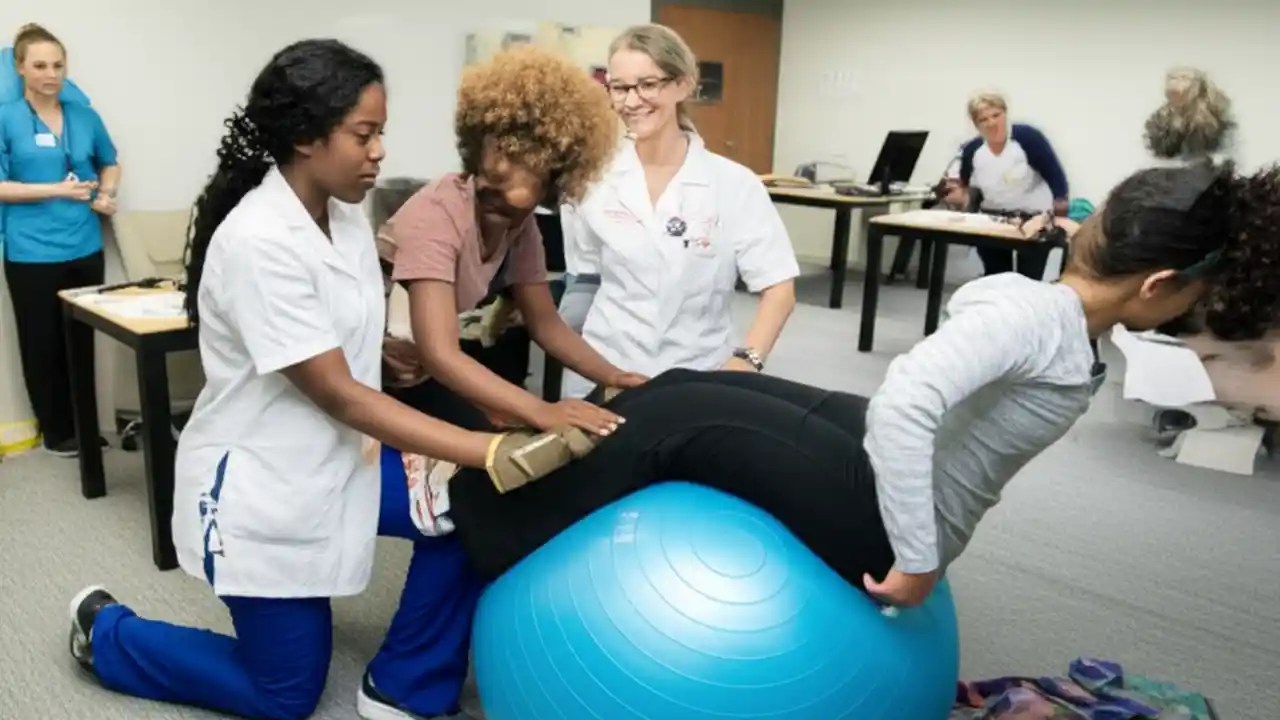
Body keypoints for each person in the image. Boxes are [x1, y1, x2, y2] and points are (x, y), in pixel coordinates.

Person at [420, 160, 1276, 611]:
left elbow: (910, 402)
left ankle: (476, 511)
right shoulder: (1045, 316)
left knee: (681, 418)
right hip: (901, 496)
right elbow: (912, 403)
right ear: (1155, 282)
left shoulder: (1041, 313)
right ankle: (518, 478)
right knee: (685, 383)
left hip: (892, 516)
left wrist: (916, 561)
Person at [63, 39, 586, 720]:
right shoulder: (259, 241)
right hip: (264, 488)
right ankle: (107, 634)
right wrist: (489, 447)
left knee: (475, 506)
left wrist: (383, 355)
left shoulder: (342, 217)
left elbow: (335, 344)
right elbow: (337, 392)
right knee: (283, 694)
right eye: (364, 135)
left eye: (380, 134)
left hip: (343, 461)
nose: (379, 152)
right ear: (307, 138)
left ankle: (405, 685)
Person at [378, 46, 644, 437]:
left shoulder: (520, 227)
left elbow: (546, 324)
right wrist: (541, 411)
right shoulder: (438, 214)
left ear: (553, 177)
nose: (492, 187)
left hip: (417, 371)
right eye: (488, 176)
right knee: (498, 450)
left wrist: (613, 375)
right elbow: (440, 354)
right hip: (376, 373)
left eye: (512, 179)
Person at [558, 24, 799, 399]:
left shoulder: (733, 184)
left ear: (683, 85)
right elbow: (585, 275)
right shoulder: (591, 178)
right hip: (604, 367)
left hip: (699, 370)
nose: (631, 101)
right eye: (619, 87)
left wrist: (747, 361)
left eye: (647, 84)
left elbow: (779, 287)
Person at [0, 23, 119, 457]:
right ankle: (56, 431)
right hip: (31, 250)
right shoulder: (6, 119)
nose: (51, 74)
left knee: (81, 342)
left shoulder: (84, 116)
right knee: (41, 343)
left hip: (84, 245)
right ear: (20, 68)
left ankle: (85, 427)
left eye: (57, 65)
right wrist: (57, 189)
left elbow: (110, 162)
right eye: (40, 66)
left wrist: (106, 193)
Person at [943, 90, 1069, 280]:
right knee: (997, 279)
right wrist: (959, 198)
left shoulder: (1028, 138)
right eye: (983, 119)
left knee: (1028, 281)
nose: (992, 123)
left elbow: (1056, 178)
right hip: (993, 220)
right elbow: (964, 187)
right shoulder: (972, 150)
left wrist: (1060, 214)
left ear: (1005, 114)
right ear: (977, 125)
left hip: (1032, 220)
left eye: (996, 115)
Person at [1144, 67, 1235, 165]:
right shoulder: (1160, 117)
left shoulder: (1216, 112)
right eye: (1172, 78)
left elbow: (1225, 150)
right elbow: (1159, 151)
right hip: (1176, 167)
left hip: (1210, 167)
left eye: (1183, 78)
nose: (1176, 83)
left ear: (1197, 86)